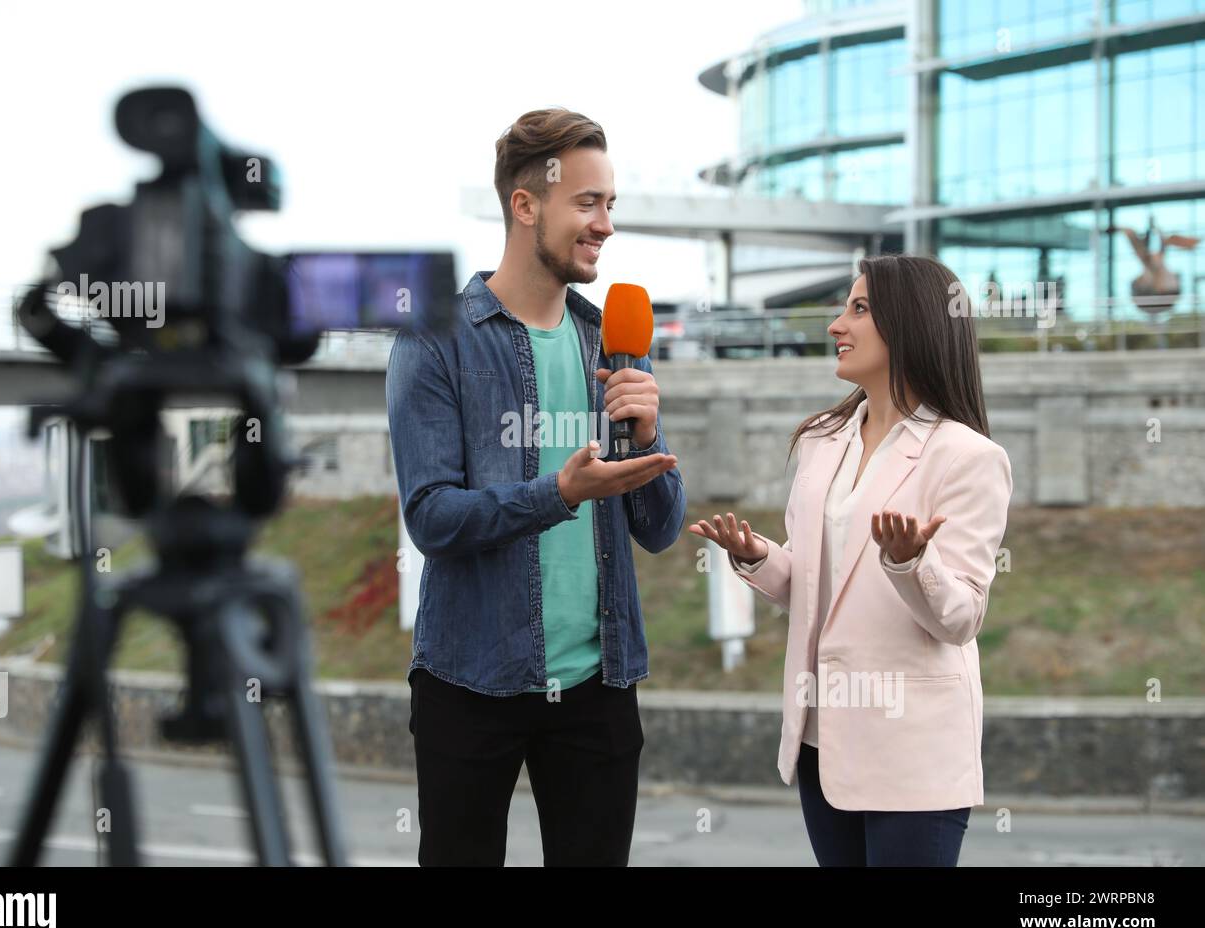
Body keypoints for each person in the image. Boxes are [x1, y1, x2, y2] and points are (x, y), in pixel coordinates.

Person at [386, 108, 686, 866]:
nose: (606, 225)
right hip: (470, 684)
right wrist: (559, 493)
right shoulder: (435, 339)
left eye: (611, 204)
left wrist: (650, 441)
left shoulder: (612, 342)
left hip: (598, 687)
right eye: (588, 203)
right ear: (526, 206)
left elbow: (658, 529)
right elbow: (431, 518)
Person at [691, 254, 1012, 866]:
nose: (837, 324)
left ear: (911, 325)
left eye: (858, 309)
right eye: (844, 308)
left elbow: (962, 618)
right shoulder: (820, 442)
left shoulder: (968, 457)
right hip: (823, 740)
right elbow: (816, 594)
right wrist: (758, 558)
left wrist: (911, 562)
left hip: (913, 751)